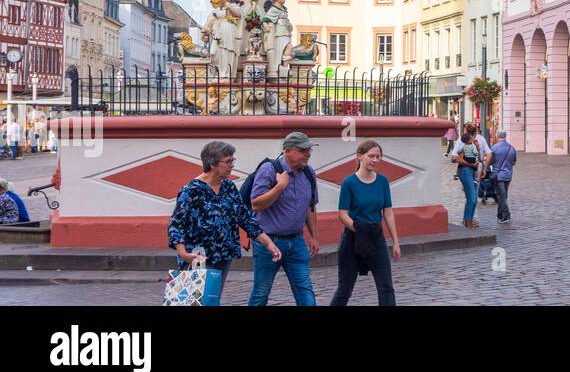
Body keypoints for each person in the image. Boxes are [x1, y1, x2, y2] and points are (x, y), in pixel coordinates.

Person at [168, 141, 280, 306]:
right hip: (198, 256)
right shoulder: (191, 190)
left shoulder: (229, 187)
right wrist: (183, 253)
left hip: (223, 254)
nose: (231, 166)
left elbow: (244, 217)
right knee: (193, 301)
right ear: (212, 164)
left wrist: (268, 243)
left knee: (212, 300)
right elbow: (176, 223)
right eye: (228, 162)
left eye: (232, 161)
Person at [248, 131, 319, 306]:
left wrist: (314, 236)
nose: (307, 154)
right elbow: (256, 204)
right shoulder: (269, 170)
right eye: (302, 150)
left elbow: (310, 207)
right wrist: (280, 187)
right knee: (261, 294)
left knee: (305, 291)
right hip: (268, 243)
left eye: (309, 150)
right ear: (287, 151)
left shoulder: (309, 173)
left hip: (297, 242)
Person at [331, 139, 400, 306]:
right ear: (360, 157)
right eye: (371, 156)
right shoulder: (349, 183)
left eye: (378, 156)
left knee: (386, 287)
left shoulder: (383, 181)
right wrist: (359, 229)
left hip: (376, 238)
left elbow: (388, 213)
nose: (375, 160)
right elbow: (342, 214)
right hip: (353, 238)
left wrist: (395, 242)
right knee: (344, 289)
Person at [451, 131, 481, 228]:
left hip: (473, 172)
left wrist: (477, 148)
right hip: (465, 171)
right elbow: (457, 159)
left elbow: (478, 159)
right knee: (472, 199)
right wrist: (471, 165)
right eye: (472, 137)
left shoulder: (473, 146)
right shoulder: (463, 147)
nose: (474, 138)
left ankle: (469, 221)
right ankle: (468, 223)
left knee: (474, 199)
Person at [487, 129, 517, 223]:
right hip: (508, 175)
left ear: (497, 136)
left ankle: (506, 216)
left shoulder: (494, 148)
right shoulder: (511, 148)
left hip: (498, 175)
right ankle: (500, 215)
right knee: (503, 196)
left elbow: (490, 161)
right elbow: (514, 162)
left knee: (502, 196)